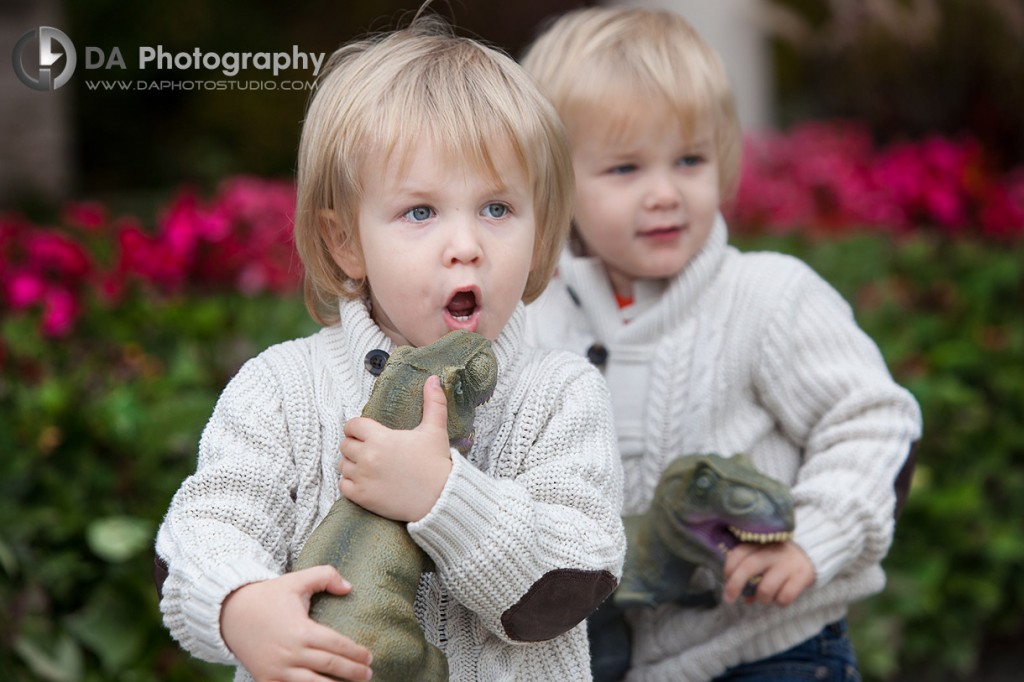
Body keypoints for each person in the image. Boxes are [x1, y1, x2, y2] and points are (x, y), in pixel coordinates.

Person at [155, 14, 627, 682]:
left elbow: (571, 582)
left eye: (497, 208)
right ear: (345, 240)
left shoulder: (558, 394)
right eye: (420, 212)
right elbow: (203, 529)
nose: (466, 243)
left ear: (539, 227)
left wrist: (442, 495)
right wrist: (238, 604)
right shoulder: (283, 388)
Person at [521, 7, 922, 682]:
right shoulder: (533, 317)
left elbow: (876, 424)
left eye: (689, 159)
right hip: (609, 660)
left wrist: (813, 543)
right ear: (555, 183)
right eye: (625, 169)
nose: (665, 193)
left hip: (772, 645)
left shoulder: (767, 297)